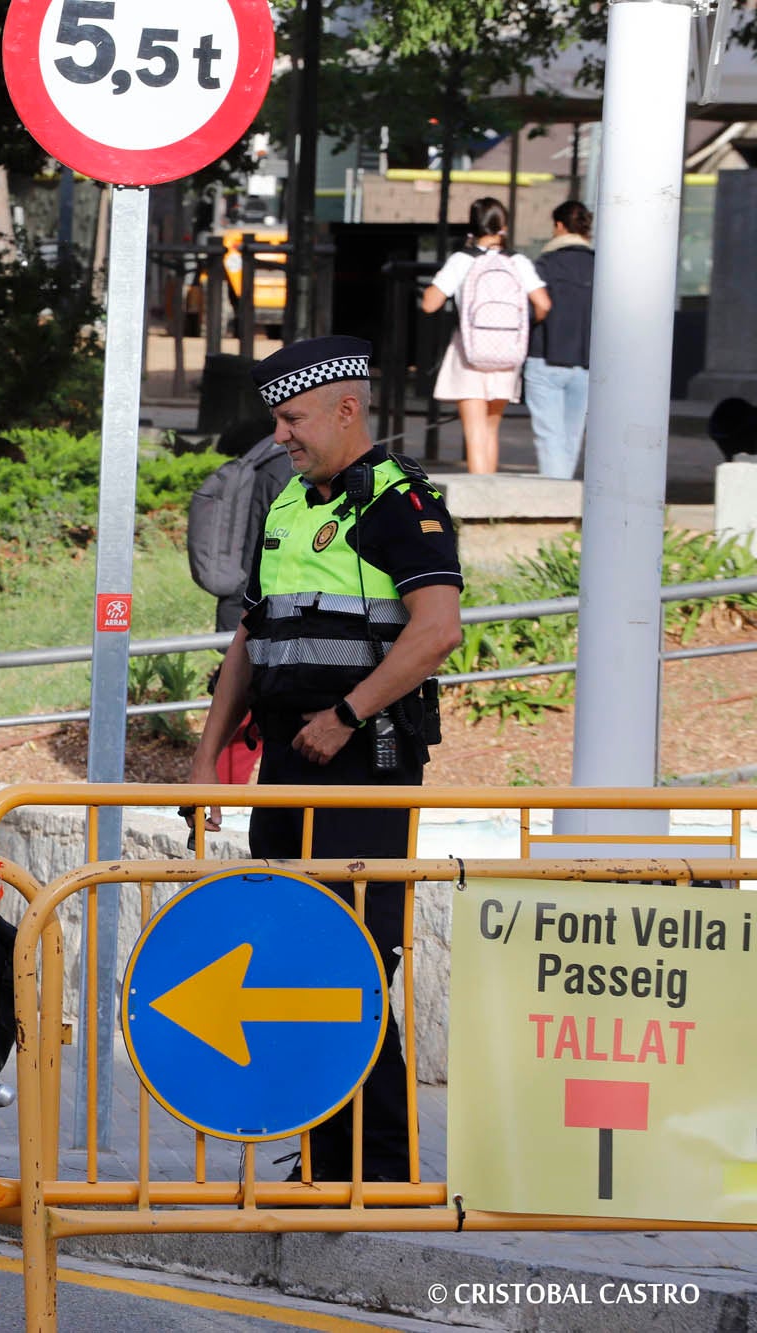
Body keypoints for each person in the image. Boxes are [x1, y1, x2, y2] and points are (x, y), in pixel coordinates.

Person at [186, 336, 464, 1183]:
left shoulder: (399, 500)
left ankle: (376, 1168)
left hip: (365, 768)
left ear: (348, 409)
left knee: (354, 959)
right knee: (294, 954)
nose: (281, 435)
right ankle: (322, 1156)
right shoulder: (292, 505)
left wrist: (347, 714)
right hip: (290, 765)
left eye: (293, 417)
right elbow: (252, 636)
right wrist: (206, 759)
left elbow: (437, 630)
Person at [421, 197, 551, 475]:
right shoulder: (517, 261)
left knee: (475, 432)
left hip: (470, 352)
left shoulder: (462, 260)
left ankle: (479, 504)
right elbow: (543, 304)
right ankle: (490, 502)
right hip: (506, 351)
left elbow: (429, 304)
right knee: (491, 430)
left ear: (473, 225)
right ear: (503, 225)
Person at [523, 201, 595, 480]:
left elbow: (532, 310)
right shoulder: (602, 266)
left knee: (549, 435)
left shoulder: (544, 265)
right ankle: (565, 498)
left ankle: (556, 498)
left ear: (559, 226)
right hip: (587, 362)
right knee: (572, 435)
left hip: (546, 357)